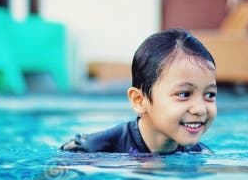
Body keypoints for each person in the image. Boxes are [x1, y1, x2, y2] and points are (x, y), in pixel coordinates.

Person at [61, 28, 217, 154]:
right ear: (139, 100)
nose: (200, 109)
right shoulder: (89, 152)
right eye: (184, 94)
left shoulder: (200, 154)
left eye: (209, 95)